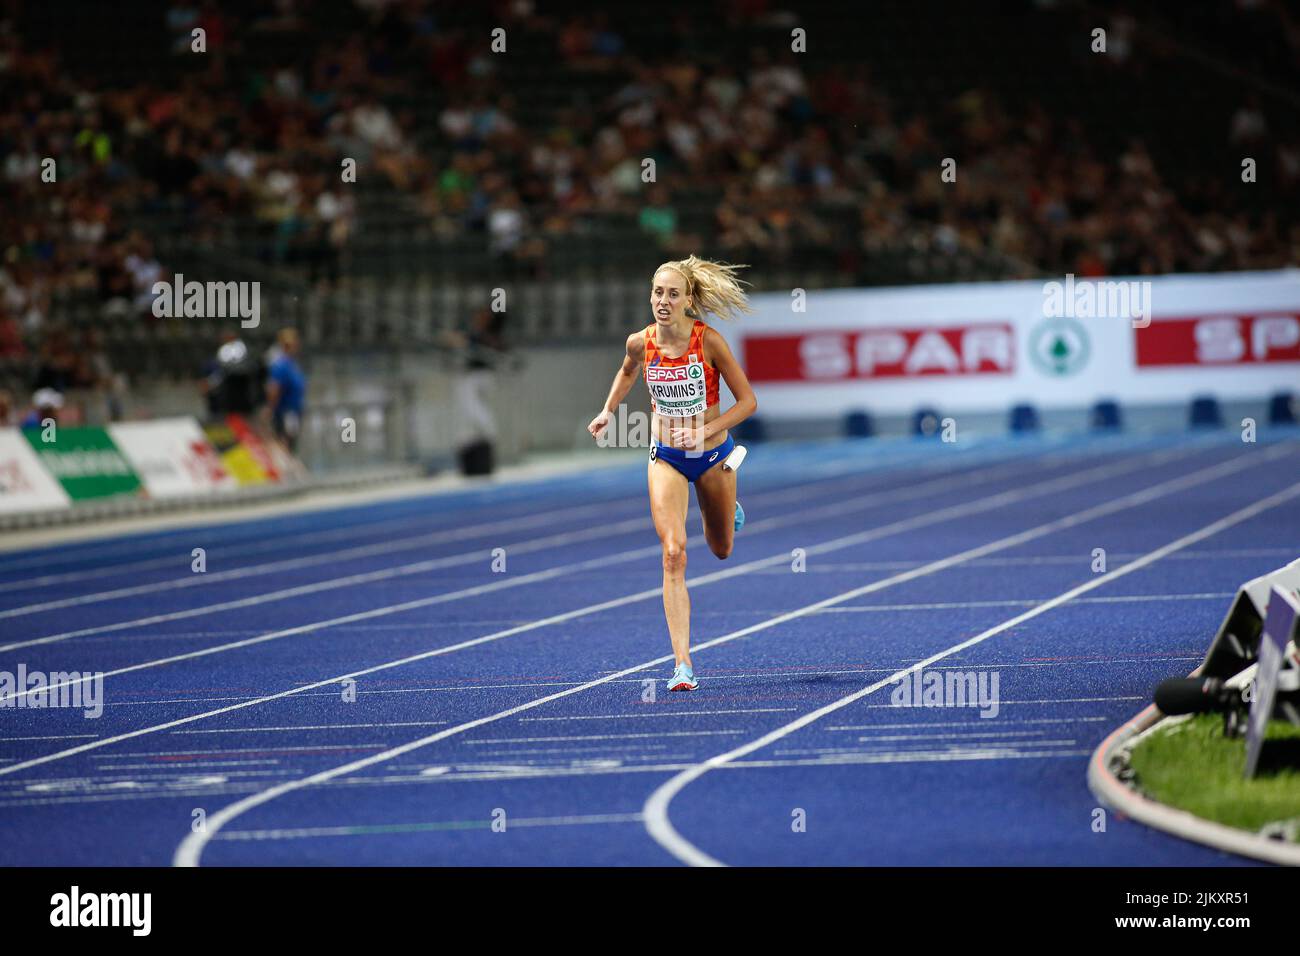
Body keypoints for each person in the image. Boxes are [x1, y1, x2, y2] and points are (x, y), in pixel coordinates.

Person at [588, 256, 758, 691]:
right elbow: (627, 373)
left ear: (687, 301)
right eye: (657, 293)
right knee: (673, 552)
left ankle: (725, 502)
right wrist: (609, 411)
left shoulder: (710, 342)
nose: (663, 301)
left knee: (721, 548)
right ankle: (682, 664)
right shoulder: (640, 343)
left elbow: (747, 403)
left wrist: (705, 430)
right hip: (665, 455)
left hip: (713, 454)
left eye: (672, 294)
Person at [265, 328, 306, 453]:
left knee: (291, 443)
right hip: (285, 412)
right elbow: (274, 388)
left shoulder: (292, 364)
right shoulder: (281, 365)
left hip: (294, 411)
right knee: (284, 444)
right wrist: (270, 408)